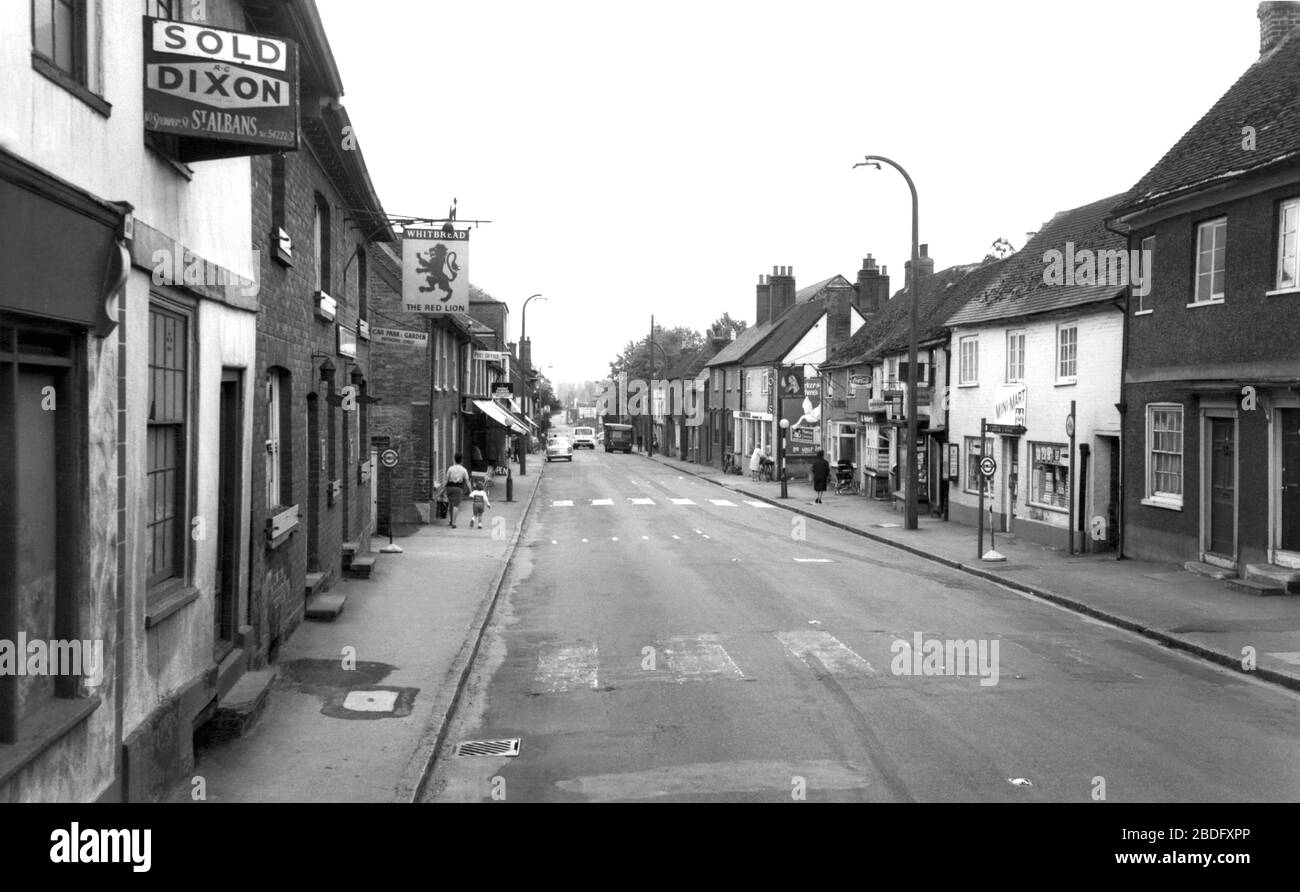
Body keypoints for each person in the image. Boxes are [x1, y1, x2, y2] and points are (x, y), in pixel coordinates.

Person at [443, 453, 470, 528]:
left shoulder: (450, 468)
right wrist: (471, 491)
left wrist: (443, 489)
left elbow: (446, 480)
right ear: (461, 460)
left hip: (449, 488)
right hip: (458, 488)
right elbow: (467, 481)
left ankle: (451, 521)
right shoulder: (464, 470)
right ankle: (454, 523)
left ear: (454, 459)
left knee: (451, 505)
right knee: (455, 506)